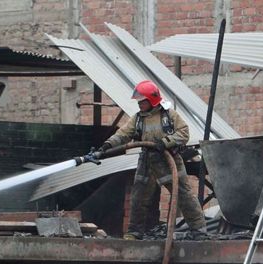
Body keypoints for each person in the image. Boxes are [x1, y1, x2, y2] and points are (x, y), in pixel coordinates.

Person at [87, 80, 206, 239]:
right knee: (139, 198)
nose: (139, 104)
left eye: (142, 101)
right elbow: (123, 134)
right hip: (147, 161)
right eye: (138, 101)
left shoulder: (169, 115)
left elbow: (183, 133)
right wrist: (107, 145)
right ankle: (134, 233)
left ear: (152, 100)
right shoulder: (137, 119)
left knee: (184, 195)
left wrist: (165, 142)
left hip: (168, 159)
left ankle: (199, 231)